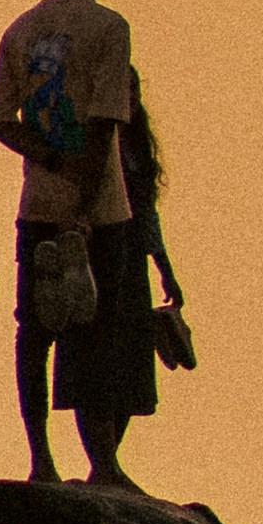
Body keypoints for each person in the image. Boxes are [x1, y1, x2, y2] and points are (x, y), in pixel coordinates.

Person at [0, 0, 140, 489]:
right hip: (100, 208)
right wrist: (83, 206)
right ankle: (103, 462)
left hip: (37, 205)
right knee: (97, 330)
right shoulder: (109, 27)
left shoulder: (22, 30)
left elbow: (1, 120)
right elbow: (103, 125)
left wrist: (46, 157)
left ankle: (40, 460)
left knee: (34, 333)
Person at [52, 77, 184, 491]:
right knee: (93, 357)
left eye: (134, 89)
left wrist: (165, 267)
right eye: (121, 88)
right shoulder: (91, 141)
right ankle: (104, 464)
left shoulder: (136, 147)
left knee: (130, 361)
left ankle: (106, 465)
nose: (129, 97)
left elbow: (146, 213)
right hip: (92, 253)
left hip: (131, 260)